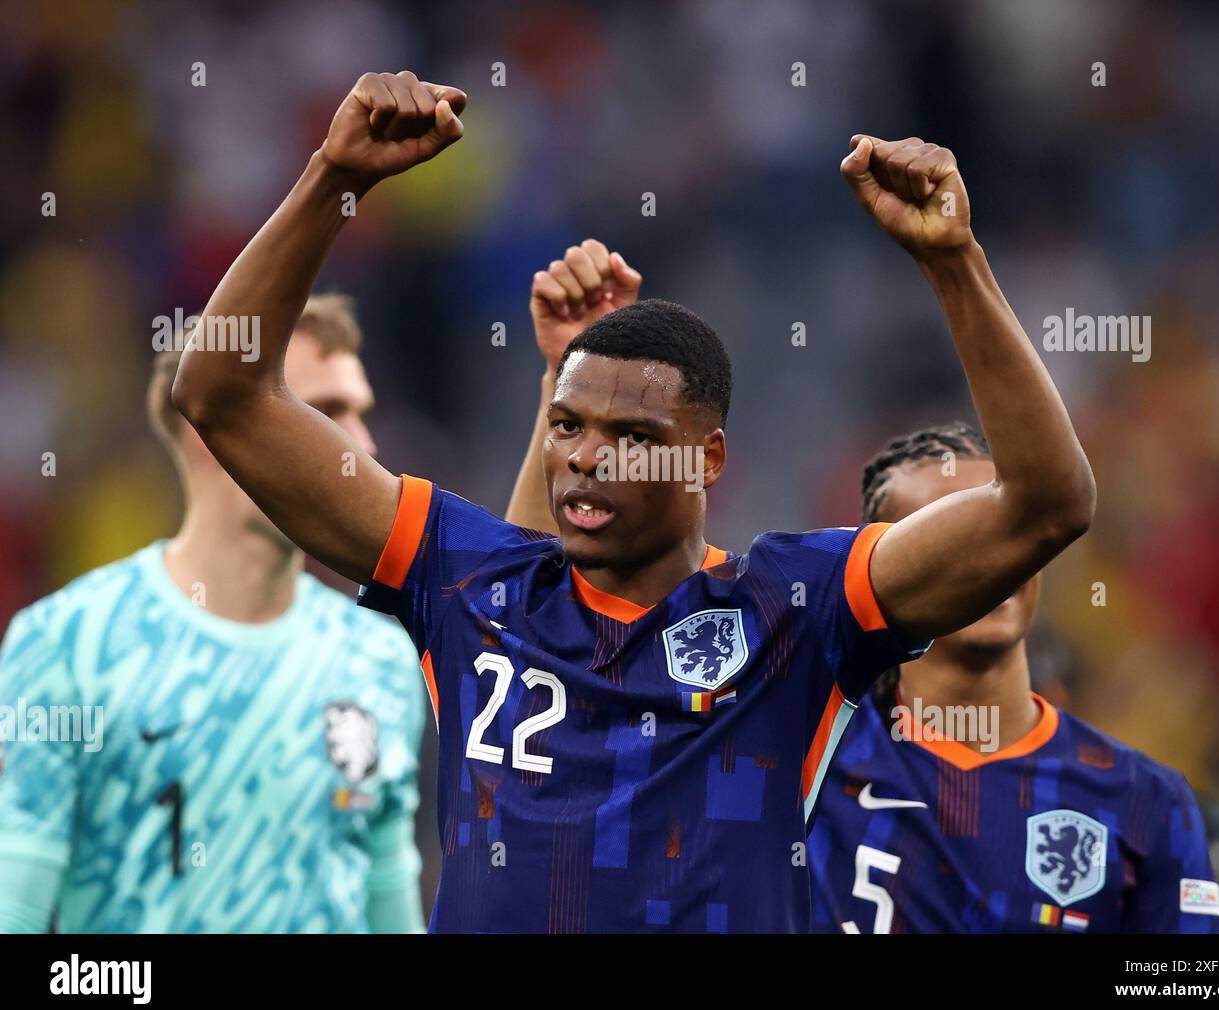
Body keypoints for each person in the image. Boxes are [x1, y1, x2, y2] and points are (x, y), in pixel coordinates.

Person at [172, 71, 1095, 932]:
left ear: (709, 460)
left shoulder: (791, 610)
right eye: (568, 427)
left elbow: (1047, 504)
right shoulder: (467, 578)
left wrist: (954, 262)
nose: (587, 461)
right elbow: (220, 392)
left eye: (635, 440)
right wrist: (334, 179)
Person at [0, 296, 427, 933]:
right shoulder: (69, 645)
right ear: (215, 425)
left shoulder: (381, 659)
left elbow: (393, 920)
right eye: (328, 412)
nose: (363, 446)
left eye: (362, 413)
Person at [805, 424, 1219, 933]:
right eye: (948, 540)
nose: (991, 566)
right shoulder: (809, 762)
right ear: (885, 574)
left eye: (1010, 535)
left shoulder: (1146, 802)